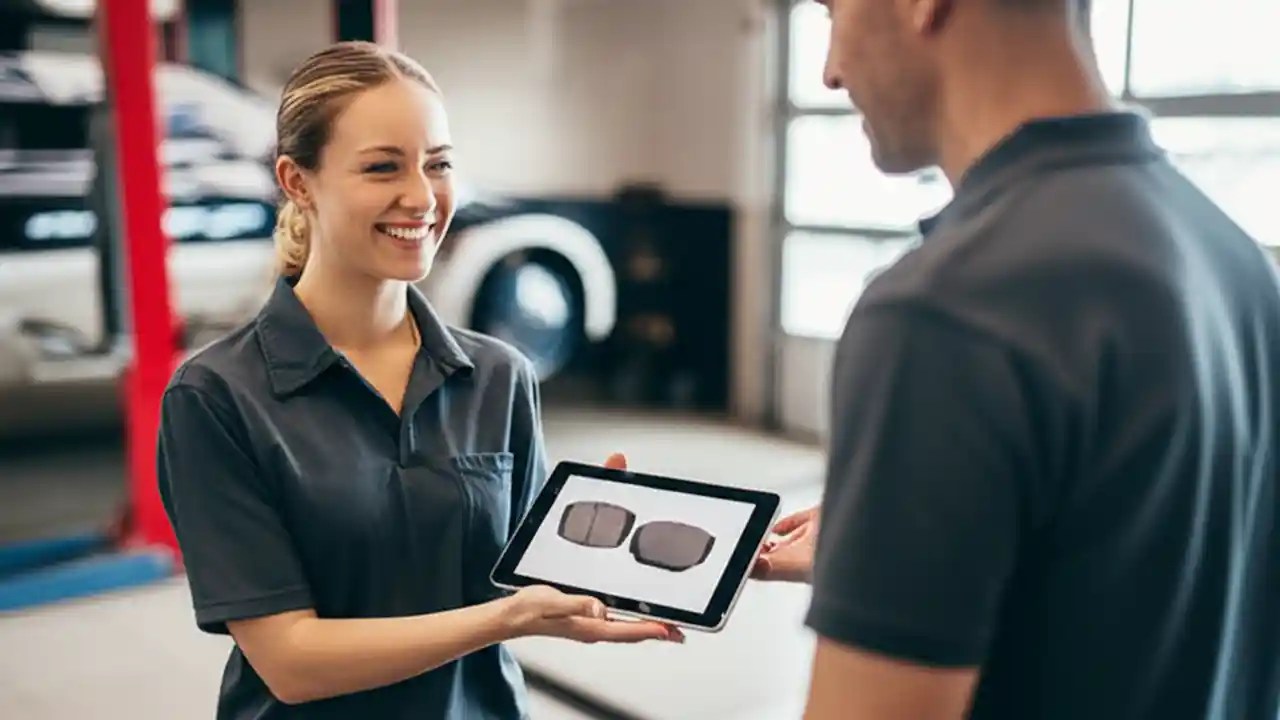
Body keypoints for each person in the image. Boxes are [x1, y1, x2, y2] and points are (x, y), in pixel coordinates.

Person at [753, 1, 1280, 718]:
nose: (831, 71)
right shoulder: (1233, 259)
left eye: (833, 11)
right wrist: (901, 557)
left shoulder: (947, 310)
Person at [156, 41, 680, 720]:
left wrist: (609, 544)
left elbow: (524, 577)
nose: (421, 197)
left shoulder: (499, 376)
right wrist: (503, 620)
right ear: (297, 181)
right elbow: (290, 662)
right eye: (382, 167)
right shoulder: (216, 396)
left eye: (438, 164)